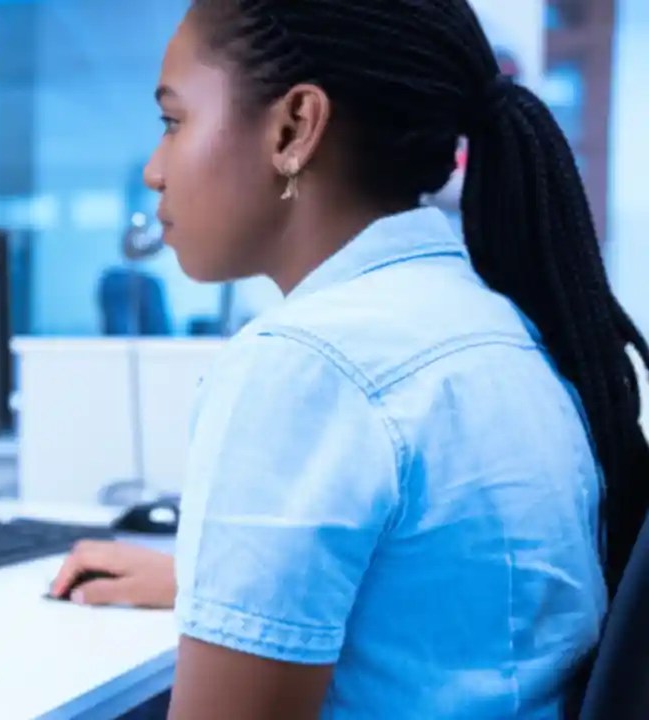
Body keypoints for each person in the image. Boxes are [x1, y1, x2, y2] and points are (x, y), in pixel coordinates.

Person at [48, 2, 649, 718]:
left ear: (293, 127)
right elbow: (455, 598)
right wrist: (211, 587)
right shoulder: (500, 325)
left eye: (173, 121)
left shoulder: (305, 366)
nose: (154, 169)